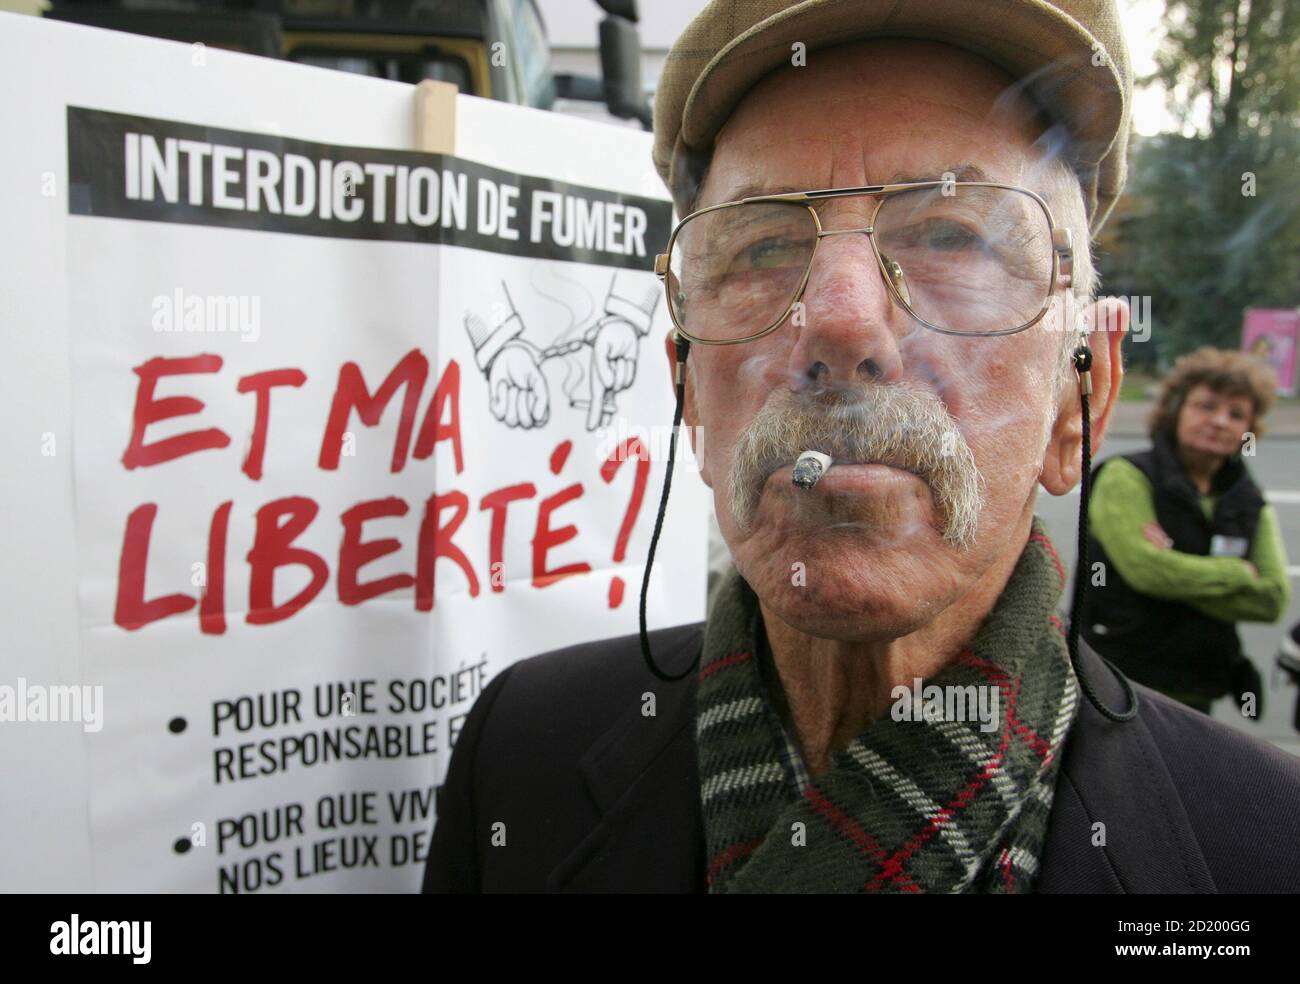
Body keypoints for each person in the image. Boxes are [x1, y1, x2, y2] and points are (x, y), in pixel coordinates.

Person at [423, 0, 1300, 893]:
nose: (839, 320)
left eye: (954, 236)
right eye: (762, 245)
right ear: (688, 388)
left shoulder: (1265, 850)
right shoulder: (520, 753)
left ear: (1082, 402)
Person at [1082, 348, 1290, 714]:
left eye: (1236, 414)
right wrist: (1236, 573)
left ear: (1249, 431)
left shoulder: (1249, 499)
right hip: (1118, 685)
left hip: (1199, 691)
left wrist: (1173, 571)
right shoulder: (1126, 475)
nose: (1220, 421)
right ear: (1176, 410)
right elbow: (1145, 572)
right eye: (1206, 406)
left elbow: (1271, 599)